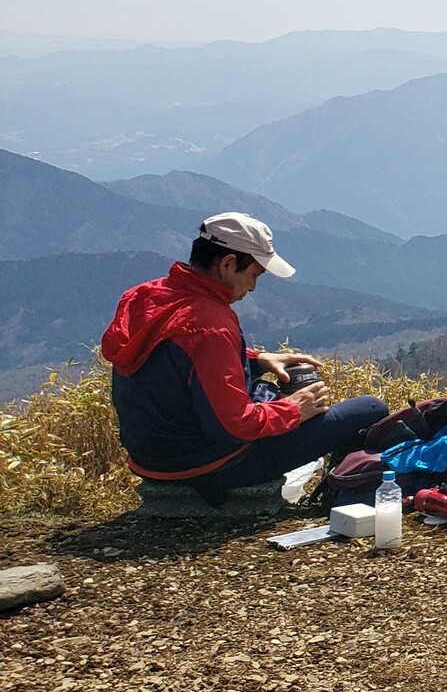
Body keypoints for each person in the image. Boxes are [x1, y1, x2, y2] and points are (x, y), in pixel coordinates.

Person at [101, 212, 388, 497]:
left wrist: (256, 359)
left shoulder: (143, 296)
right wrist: (294, 410)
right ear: (228, 264)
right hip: (210, 467)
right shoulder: (210, 325)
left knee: (270, 393)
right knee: (369, 409)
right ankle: (345, 491)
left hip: (151, 460)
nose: (252, 287)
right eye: (253, 274)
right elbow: (233, 427)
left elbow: (172, 358)